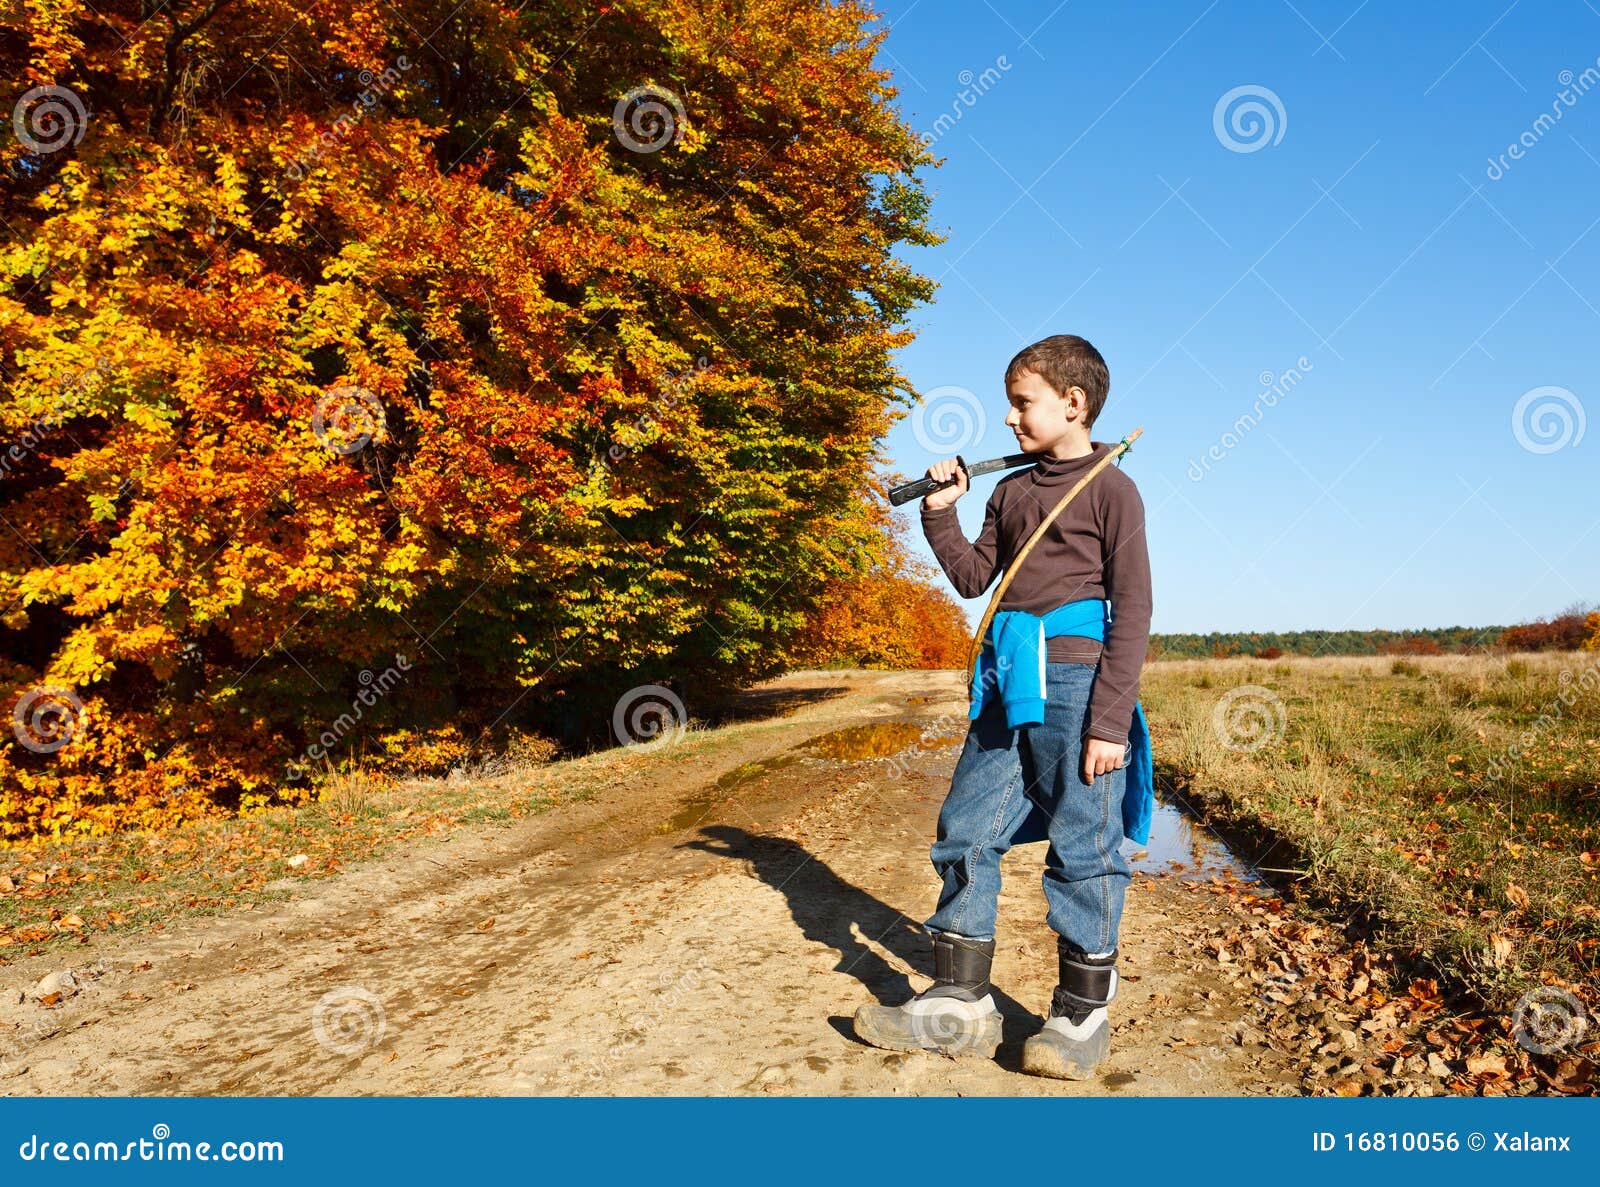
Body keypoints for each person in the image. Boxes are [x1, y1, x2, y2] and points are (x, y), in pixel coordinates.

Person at [852, 334, 1153, 1080]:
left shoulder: (1111, 489)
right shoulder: (1010, 491)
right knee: (967, 826)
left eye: (1023, 403)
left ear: (1073, 403)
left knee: (1084, 842)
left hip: (1077, 681)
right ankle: (960, 1001)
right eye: (1010, 404)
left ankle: (1080, 1015)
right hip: (1004, 677)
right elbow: (972, 577)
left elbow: (1135, 609)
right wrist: (940, 512)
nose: (1010, 418)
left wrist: (1110, 722)